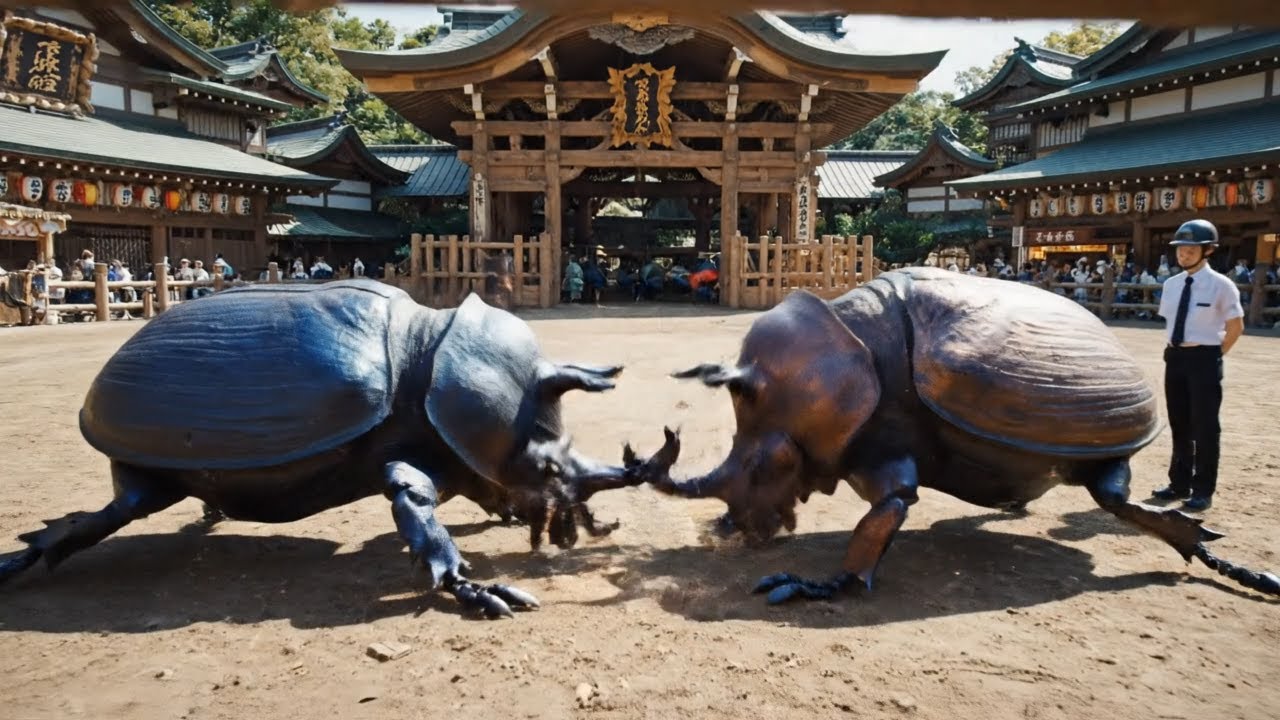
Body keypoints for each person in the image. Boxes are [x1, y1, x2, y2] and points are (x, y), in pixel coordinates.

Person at [1150, 219, 1244, 512]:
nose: (1184, 254)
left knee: (1205, 427)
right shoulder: (1171, 284)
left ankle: (1203, 489)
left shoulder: (1221, 286)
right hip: (1175, 358)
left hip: (1204, 357)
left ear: (1208, 251)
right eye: (1181, 249)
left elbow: (1235, 327)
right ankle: (1178, 483)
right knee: (1179, 423)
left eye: (1192, 249)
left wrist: (1215, 356)